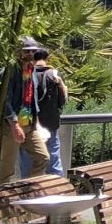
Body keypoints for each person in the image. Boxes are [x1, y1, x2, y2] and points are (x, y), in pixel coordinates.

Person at [0, 39, 52, 181]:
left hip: (30, 124)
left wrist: (37, 123)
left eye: (33, 51)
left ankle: (27, 190)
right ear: (18, 52)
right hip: (12, 126)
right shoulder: (9, 70)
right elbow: (5, 100)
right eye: (27, 51)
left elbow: (31, 98)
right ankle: (1, 199)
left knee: (43, 157)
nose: (30, 54)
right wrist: (14, 124)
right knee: (6, 169)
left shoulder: (32, 69)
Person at [32, 46, 68, 174]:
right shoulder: (54, 74)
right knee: (54, 162)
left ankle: (30, 191)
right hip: (50, 124)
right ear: (47, 58)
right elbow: (63, 100)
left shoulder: (26, 74)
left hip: (30, 126)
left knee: (29, 163)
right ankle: (57, 190)